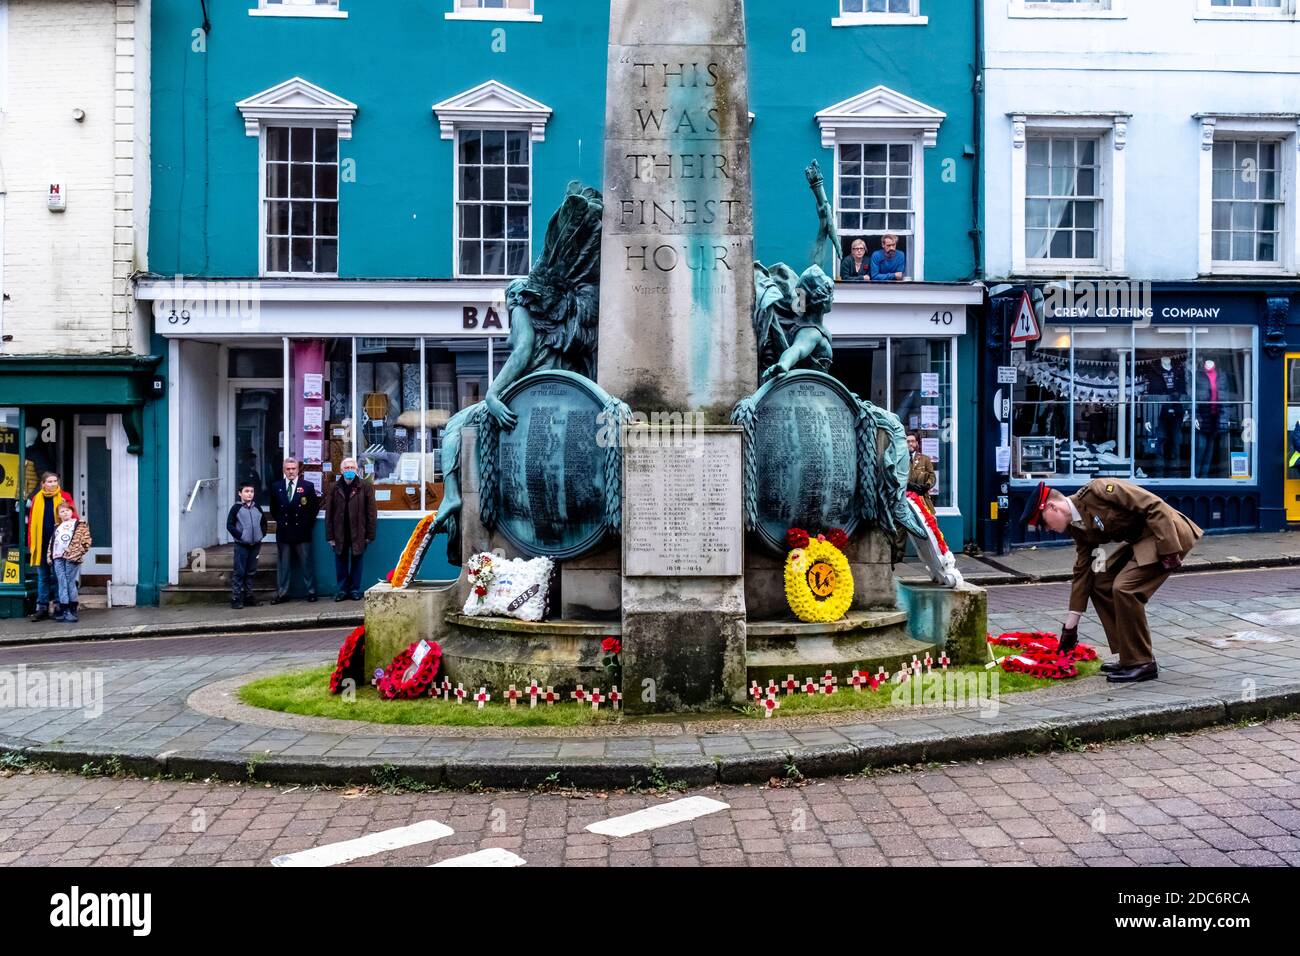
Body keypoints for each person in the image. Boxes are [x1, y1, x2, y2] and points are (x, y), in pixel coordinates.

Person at [1020, 478, 1202, 684]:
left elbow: (1154, 505)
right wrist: (1070, 628)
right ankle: (1129, 655)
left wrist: (1169, 550)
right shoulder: (1076, 527)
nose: (1046, 529)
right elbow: (1083, 569)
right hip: (1140, 540)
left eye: (1043, 522)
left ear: (1052, 506)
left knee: (1124, 588)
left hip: (1166, 534)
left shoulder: (1099, 491)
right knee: (1101, 584)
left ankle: (1141, 663)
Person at [269, 457, 320, 604]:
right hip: (284, 532)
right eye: (288, 469)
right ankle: (282, 593)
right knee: (283, 566)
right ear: (284, 470)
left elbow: (314, 509)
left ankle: (311, 592)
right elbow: (274, 509)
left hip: (302, 532)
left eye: (293, 468)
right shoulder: (276, 486)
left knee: (306, 565)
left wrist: (306, 525)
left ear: (298, 470)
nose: (291, 471)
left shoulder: (308, 486)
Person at [27, 472, 76, 622]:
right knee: (42, 577)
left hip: (58, 546)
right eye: (49, 481)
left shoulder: (64, 496)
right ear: (43, 484)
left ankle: (59, 606)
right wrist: (31, 543)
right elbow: (31, 524)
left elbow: (74, 518)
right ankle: (42, 608)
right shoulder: (36, 499)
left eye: (55, 481)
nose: (53, 484)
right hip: (41, 544)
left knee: (57, 577)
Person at [326, 457, 376, 601]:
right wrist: (330, 536)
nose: (349, 471)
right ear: (341, 471)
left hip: (358, 532)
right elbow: (329, 513)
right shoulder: (334, 487)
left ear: (357, 470)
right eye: (346, 468)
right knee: (340, 563)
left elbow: (371, 512)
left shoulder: (365, 486)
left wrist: (370, 535)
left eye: (352, 468)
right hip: (339, 532)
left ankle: (355, 589)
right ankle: (342, 590)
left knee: (357, 562)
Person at [226, 483, 267, 610]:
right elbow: (230, 525)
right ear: (240, 493)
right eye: (246, 491)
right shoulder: (236, 508)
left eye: (252, 491)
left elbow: (263, 523)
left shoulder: (257, 508)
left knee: (251, 571)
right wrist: (241, 536)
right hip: (241, 545)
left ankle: (249, 596)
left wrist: (261, 535)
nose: (249, 494)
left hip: (255, 545)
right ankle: (236, 598)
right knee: (240, 571)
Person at [48, 502, 91, 622]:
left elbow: (86, 542)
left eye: (67, 510)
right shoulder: (57, 526)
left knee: (69, 582)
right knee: (62, 582)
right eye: (62, 511)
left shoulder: (79, 524)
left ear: (72, 511)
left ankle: (72, 608)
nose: (65, 512)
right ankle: (64, 609)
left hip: (71, 557)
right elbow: (52, 543)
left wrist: (76, 551)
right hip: (58, 557)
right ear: (59, 515)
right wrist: (49, 556)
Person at [905, 432, 937, 513]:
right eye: (908, 441)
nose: (910, 444)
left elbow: (932, 475)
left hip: (922, 499)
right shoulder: (900, 460)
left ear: (917, 443)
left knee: (929, 522)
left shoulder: (925, 459)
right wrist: (908, 485)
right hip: (906, 499)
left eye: (912, 441)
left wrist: (927, 485)